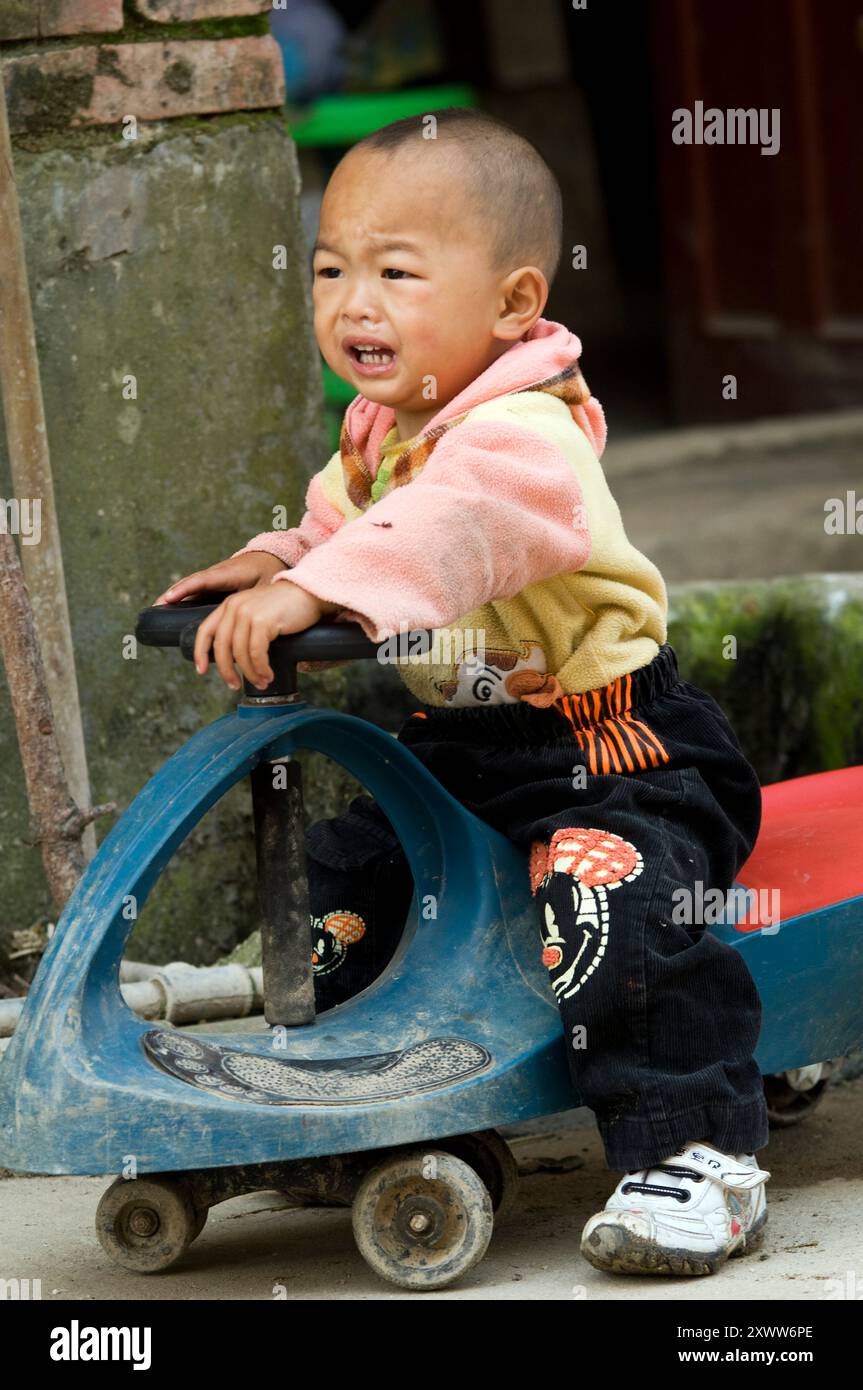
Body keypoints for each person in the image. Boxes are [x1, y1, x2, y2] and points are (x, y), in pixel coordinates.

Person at [153, 107, 771, 1278]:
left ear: (511, 303)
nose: (354, 303)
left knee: (611, 894)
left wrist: (314, 588)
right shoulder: (385, 429)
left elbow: (440, 535)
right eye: (330, 269)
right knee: (347, 873)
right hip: (459, 748)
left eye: (395, 272)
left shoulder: (523, 434)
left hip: (612, 745)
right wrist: (275, 562)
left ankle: (695, 1149)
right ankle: (338, 1090)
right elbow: (348, 524)